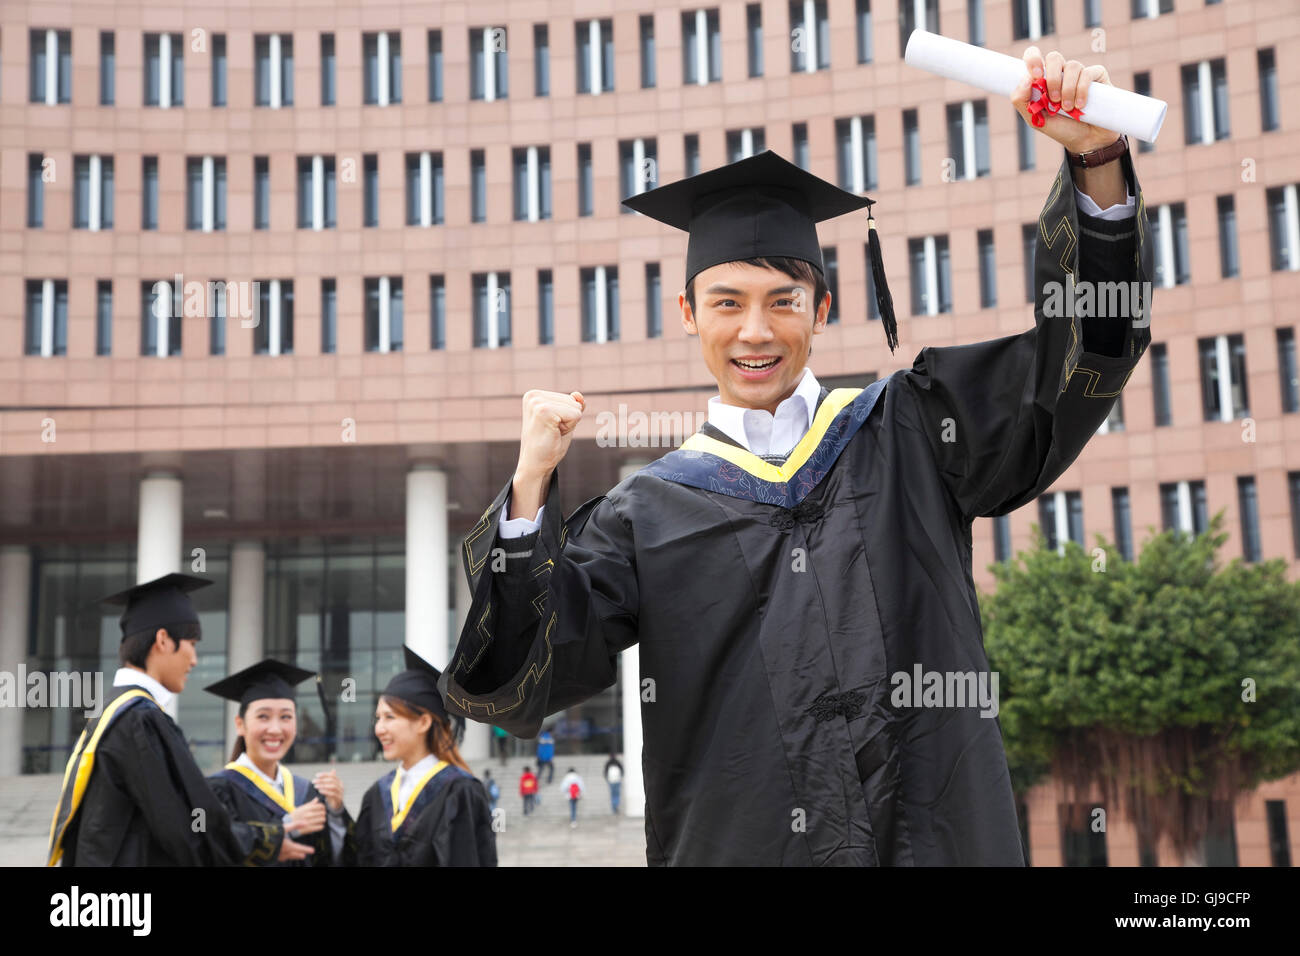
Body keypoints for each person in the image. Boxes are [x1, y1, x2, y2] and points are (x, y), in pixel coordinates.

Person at [440, 47, 1151, 865]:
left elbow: (1081, 361)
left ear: (823, 308)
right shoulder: (646, 517)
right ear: (686, 313)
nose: (755, 330)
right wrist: (530, 492)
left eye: (784, 301)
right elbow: (515, 685)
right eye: (727, 303)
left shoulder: (913, 430)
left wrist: (1095, 161)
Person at [48, 574, 304, 866]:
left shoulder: (112, 712)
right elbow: (187, 824)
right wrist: (266, 842)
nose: (194, 659)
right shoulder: (140, 720)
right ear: (163, 640)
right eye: (191, 644)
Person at [205, 658, 356, 867]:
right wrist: (286, 827)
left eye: (286, 717)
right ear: (240, 725)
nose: (275, 729)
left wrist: (336, 813)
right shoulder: (217, 790)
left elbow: (331, 861)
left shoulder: (307, 793)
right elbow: (209, 849)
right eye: (263, 717)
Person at [355, 648, 496, 866]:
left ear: (423, 722)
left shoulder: (460, 792)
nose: (379, 729)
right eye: (378, 719)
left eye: (389, 717)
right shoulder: (377, 795)